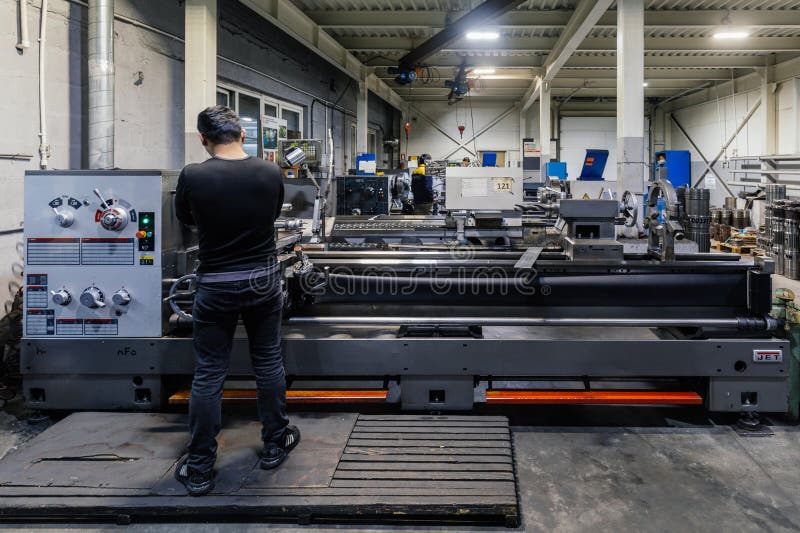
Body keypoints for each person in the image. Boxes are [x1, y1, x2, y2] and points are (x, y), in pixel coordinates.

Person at [173, 105, 300, 496]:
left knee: (209, 374)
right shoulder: (268, 171)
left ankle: (199, 469)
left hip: (215, 284)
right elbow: (271, 212)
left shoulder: (193, 175)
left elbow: (186, 219)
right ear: (242, 135)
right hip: (262, 281)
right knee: (267, 363)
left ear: (203, 139)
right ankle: (275, 444)